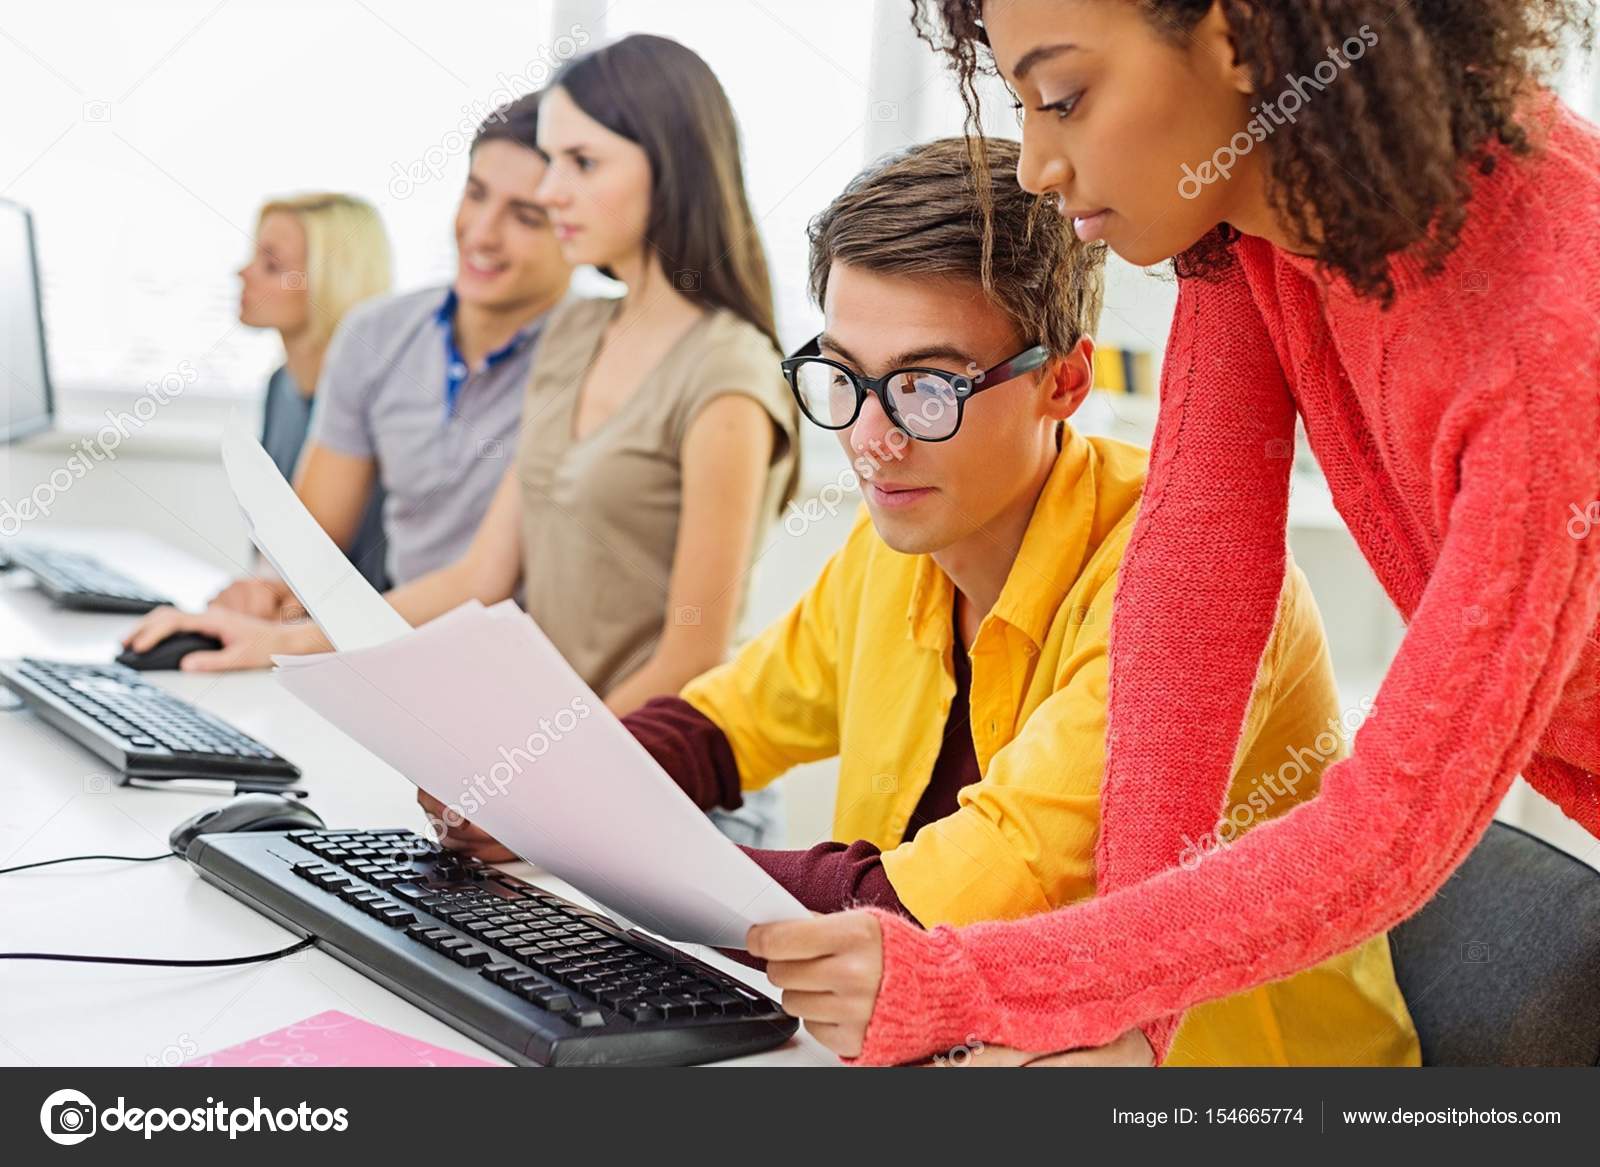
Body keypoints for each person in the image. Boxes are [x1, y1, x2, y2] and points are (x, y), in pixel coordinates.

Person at [426, 137, 1420, 1066]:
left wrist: (595, 842)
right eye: (843, 379)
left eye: (928, 390)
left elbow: (956, 894)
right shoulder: (901, 541)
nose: (871, 441)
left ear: (1064, 383)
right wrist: (547, 788)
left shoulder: (1188, 585)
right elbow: (721, 727)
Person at [745, 0, 1600, 1065]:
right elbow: (1185, 636)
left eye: (1063, 98)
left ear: (1244, 36)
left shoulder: (1551, 340)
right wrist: (1131, 1027)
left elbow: (1394, 827)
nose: (1033, 167)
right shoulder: (1257, 226)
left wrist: (979, 984)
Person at [125, 36, 800, 848]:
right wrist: (286, 643)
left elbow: (690, 661)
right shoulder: (580, 334)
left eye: (580, 163)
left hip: (656, 792)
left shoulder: (730, 375)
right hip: (539, 773)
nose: (552, 192)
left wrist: (537, 785)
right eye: (549, 163)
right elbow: (481, 575)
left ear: (671, 166)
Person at [203, 90, 574, 618]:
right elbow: (307, 551)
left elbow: (487, 585)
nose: (483, 234)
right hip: (390, 646)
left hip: (521, 658)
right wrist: (259, 599)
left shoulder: (594, 354)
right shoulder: (375, 335)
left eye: (526, 217)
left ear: (573, 227)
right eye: (475, 195)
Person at [239, 192, 392, 588]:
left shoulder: (381, 401)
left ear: (332, 279)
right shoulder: (280, 388)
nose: (243, 273)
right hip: (289, 609)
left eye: (270, 264)